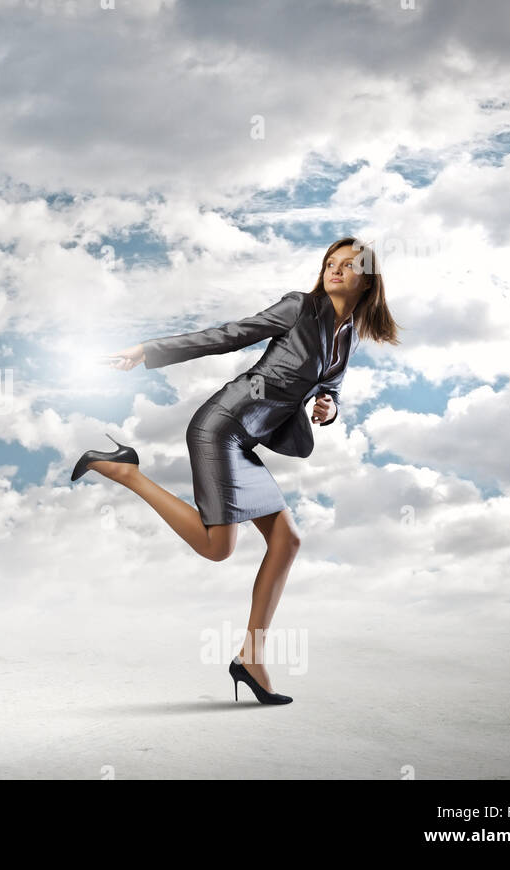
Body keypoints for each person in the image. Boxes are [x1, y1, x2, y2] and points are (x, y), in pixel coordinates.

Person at [71, 237, 401, 704]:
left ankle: (251, 657)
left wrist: (328, 406)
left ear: (368, 280)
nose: (336, 269)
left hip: (247, 438)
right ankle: (126, 472)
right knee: (216, 548)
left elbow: (330, 387)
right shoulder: (299, 308)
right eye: (331, 262)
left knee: (287, 541)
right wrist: (150, 349)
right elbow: (229, 334)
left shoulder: (346, 335)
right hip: (222, 426)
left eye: (348, 265)